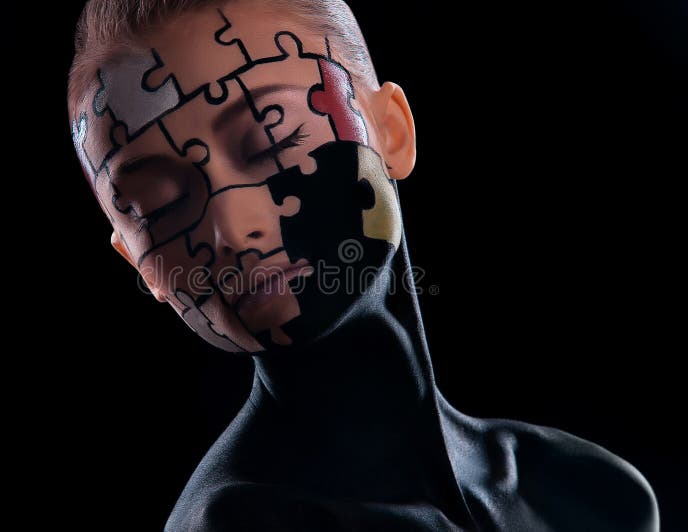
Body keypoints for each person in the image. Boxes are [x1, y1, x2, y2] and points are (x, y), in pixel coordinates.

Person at [67, 0, 660, 529]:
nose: (231, 230)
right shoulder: (234, 520)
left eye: (272, 142)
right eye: (161, 206)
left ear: (393, 131)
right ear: (139, 265)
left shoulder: (587, 490)